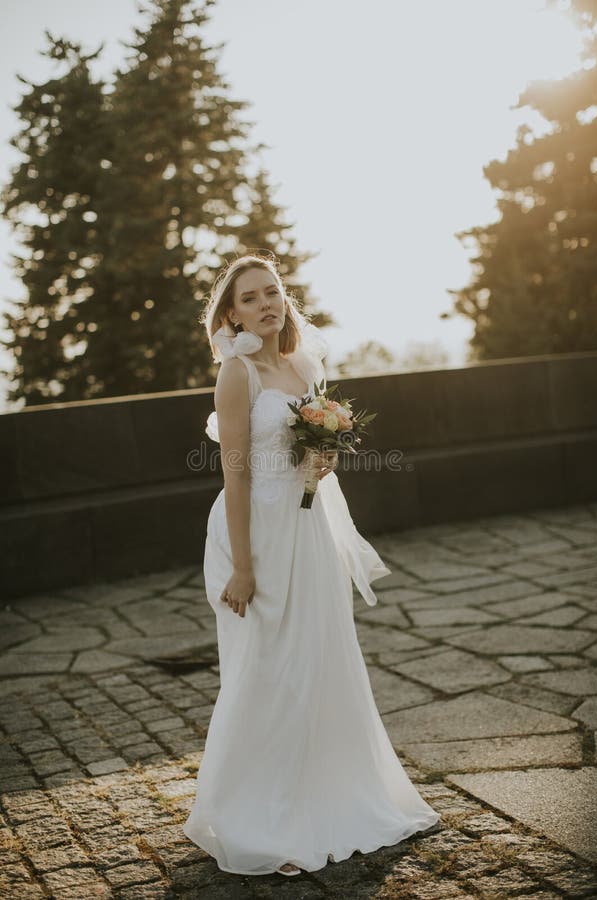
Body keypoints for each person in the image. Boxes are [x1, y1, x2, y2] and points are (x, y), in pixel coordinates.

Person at [182, 253, 441, 876]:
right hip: (258, 531)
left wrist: (324, 459)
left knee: (321, 656)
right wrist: (243, 566)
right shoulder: (237, 374)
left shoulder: (303, 364)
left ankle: (332, 795)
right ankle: (262, 816)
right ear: (231, 314)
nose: (265, 304)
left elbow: (311, 444)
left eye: (272, 292)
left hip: (309, 525)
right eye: (249, 298)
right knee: (268, 666)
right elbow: (236, 474)